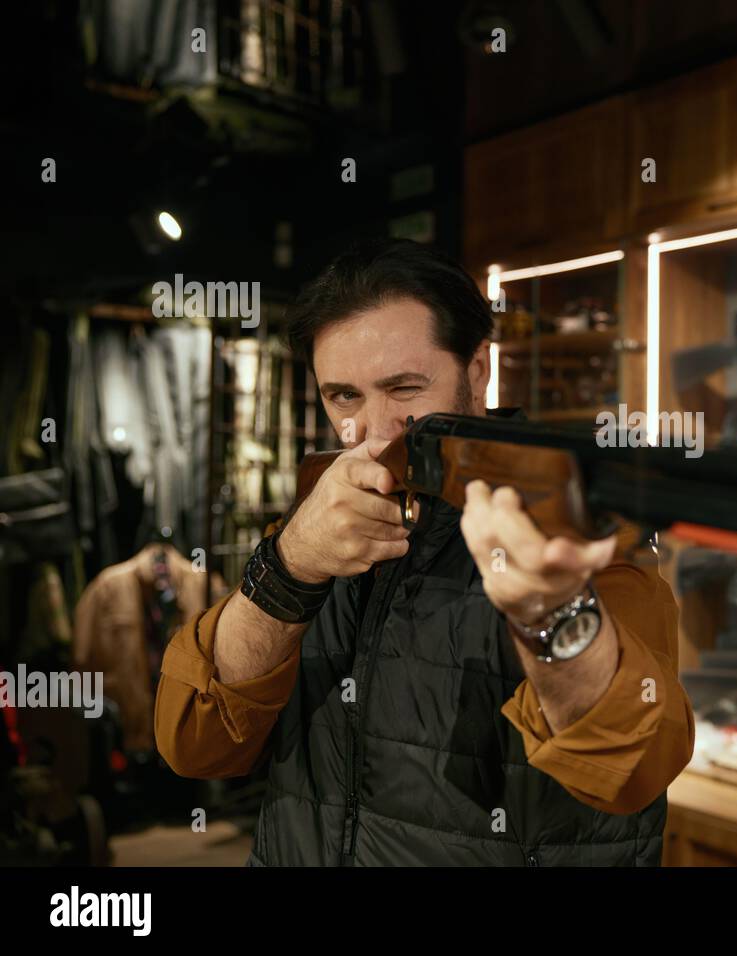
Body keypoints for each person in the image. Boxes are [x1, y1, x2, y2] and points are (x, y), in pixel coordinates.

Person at [154, 239, 694, 865]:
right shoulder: (316, 515)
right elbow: (193, 742)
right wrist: (290, 565)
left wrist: (552, 613)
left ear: (478, 371)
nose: (373, 432)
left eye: (405, 388)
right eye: (344, 396)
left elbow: (636, 764)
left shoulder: (574, 522)